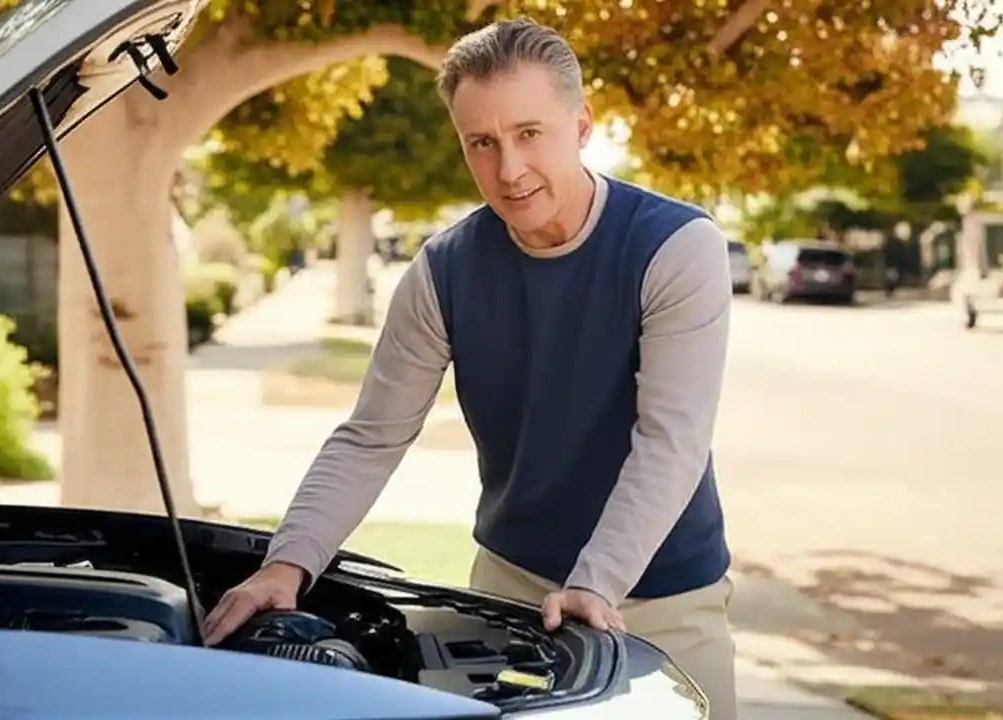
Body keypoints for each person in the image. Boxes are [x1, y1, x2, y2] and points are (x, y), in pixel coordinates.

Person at [202, 17, 736, 719]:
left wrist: (596, 582)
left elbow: (670, 439)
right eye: (481, 143)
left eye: (528, 133)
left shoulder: (675, 248)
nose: (508, 168)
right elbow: (372, 435)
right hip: (510, 591)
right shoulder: (443, 271)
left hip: (665, 599)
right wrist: (287, 562)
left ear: (581, 126)